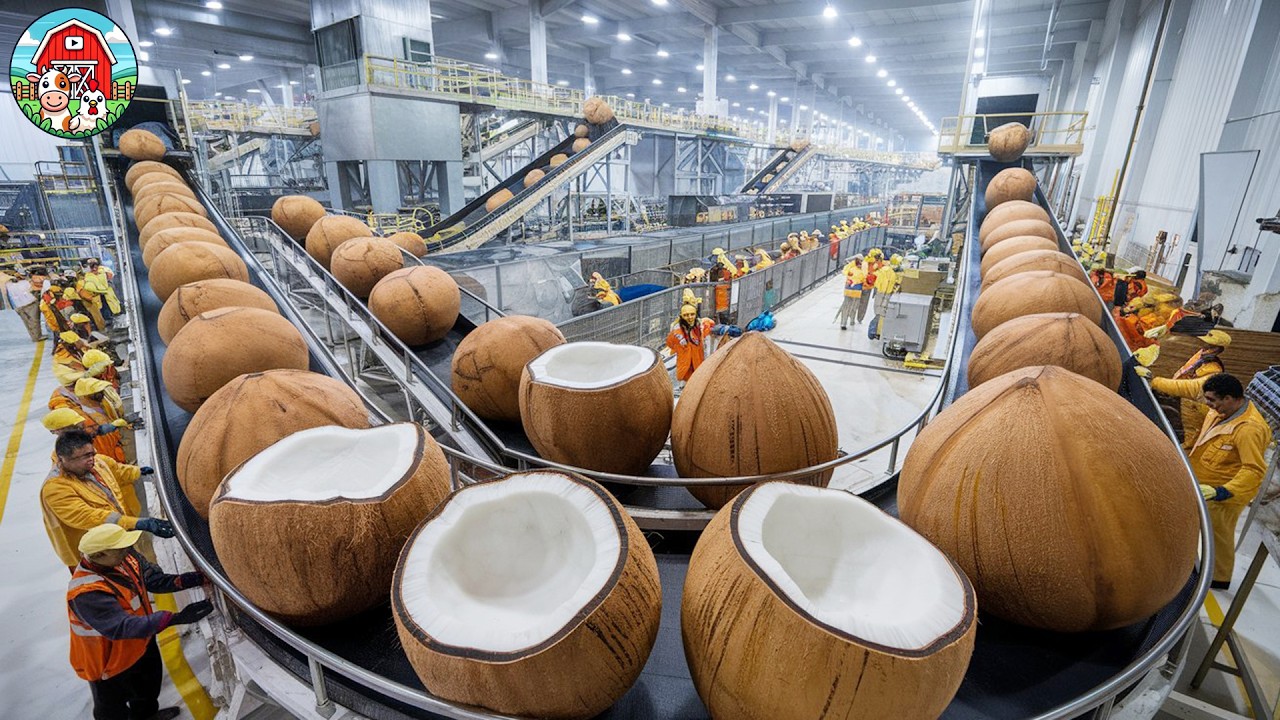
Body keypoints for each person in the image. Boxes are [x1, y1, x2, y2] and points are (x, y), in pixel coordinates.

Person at [68, 523, 212, 720]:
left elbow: (153, 580)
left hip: (141, 641)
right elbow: (121, 627)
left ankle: (146, 716)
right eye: (120, 549)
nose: (127, 550)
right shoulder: (86, 592)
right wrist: (176, 618)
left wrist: (189, 580)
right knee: (112, 708)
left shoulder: (123, 558)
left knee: (147, 688)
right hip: (109, 661)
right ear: (100, 555)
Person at [1145, 374, 1271, 589]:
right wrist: (1153, 381)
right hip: (1203, 483)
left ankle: (1219, 580)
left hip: (1224, 492)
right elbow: (1188, 390)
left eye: (1212, 400)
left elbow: (1254, 469)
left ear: (1230, 398)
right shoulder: (1221, 411)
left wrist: (1223, 491)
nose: (1208, 404)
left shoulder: (1249, 429)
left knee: (1218, 536)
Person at [41, 429, 173, 570]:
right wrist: (136, 523)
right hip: (96, 554)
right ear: (62, 459)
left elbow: (116, 471)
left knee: (136, 575)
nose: (91, 459)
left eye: (92, 453)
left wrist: (138, 472)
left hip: (117, 537)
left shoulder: (96, 463)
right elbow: (87, 516)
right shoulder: (55, 489)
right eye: (85, 456)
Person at [666, 304, 736, 385]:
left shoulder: (701, 326)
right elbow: (670, 343)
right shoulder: (676, 332)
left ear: (695, 314)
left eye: (692, 314)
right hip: (685, 366)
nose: (689, 317)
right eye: (686, 315)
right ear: (681, 316)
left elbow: (710, 325)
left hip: (697, 363)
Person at [6, 269, 44, 342]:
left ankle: (33, 336)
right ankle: (37, 336)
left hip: (18, 306)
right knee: (34, 321)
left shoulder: (8, 284)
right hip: (30, 303)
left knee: (26, 322)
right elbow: (35, 289)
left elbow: (8, 296)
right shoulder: (26, 283)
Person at [81, 257, 121, 326]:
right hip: (99, 296)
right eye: (92, 266)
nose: (94, 268)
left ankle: (113, 320)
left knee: (111, 308)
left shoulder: (104, 272)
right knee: (105, 309)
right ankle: (110, 321)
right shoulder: (89, 276)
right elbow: (89, 287)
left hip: (107, 295)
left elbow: (109, 279)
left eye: (95, 265)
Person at [836, 254, 867, 330]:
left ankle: (851, 320)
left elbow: (864, 277)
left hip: (854, 290)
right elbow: (845, 272)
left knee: (853, 306)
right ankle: (844, 322)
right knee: (848, 306)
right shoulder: (852, 267)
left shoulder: (862, 268)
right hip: (851, 290)